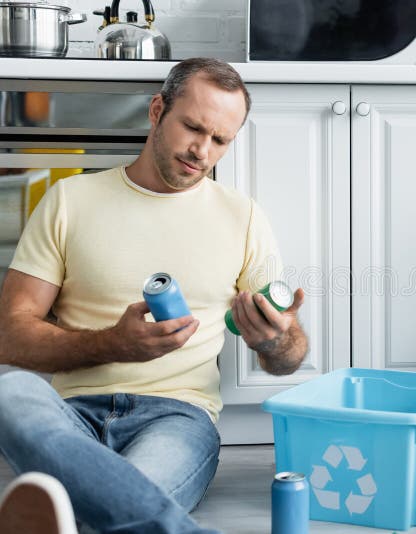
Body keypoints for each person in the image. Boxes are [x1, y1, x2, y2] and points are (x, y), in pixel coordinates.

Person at [0, 57, 308, 533]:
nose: (201, 151)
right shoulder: (70, 200)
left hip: (177, 418)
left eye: (220, 140)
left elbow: (288, 360)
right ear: (157, 110)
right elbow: (10, 337)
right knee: (10, 391)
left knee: (128, 493)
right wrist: (111, 344)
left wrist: (276, 339)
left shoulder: (242, 216)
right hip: (71, 414)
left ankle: (75, 508)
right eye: (192, 127)